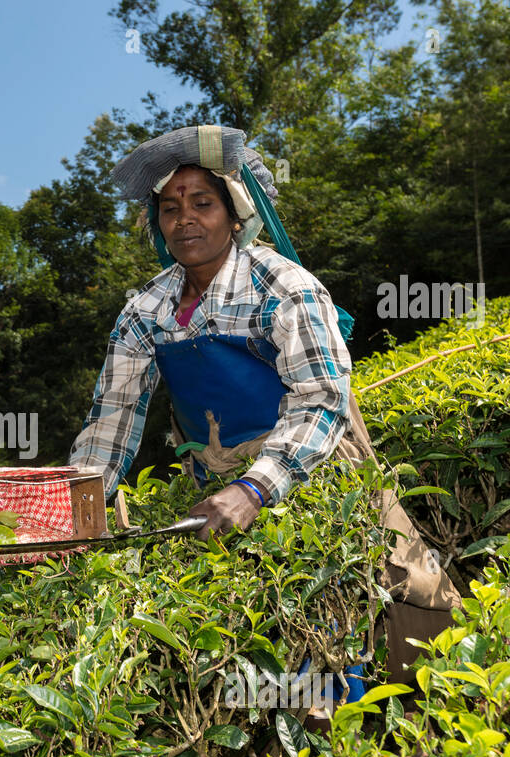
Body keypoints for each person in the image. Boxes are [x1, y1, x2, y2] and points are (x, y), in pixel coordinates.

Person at [68, 124, 462, 693]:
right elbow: (111, 423)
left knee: (399, 605)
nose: (185, 219)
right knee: (273, 652)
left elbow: (321, 400)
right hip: (215, 483)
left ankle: (414, 734)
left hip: (314, 468)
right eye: (171, 207)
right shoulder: (144, 312)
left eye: (203, 203)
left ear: (236, 215)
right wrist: (70, 506)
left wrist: (255, 489)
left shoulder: (282, 285)